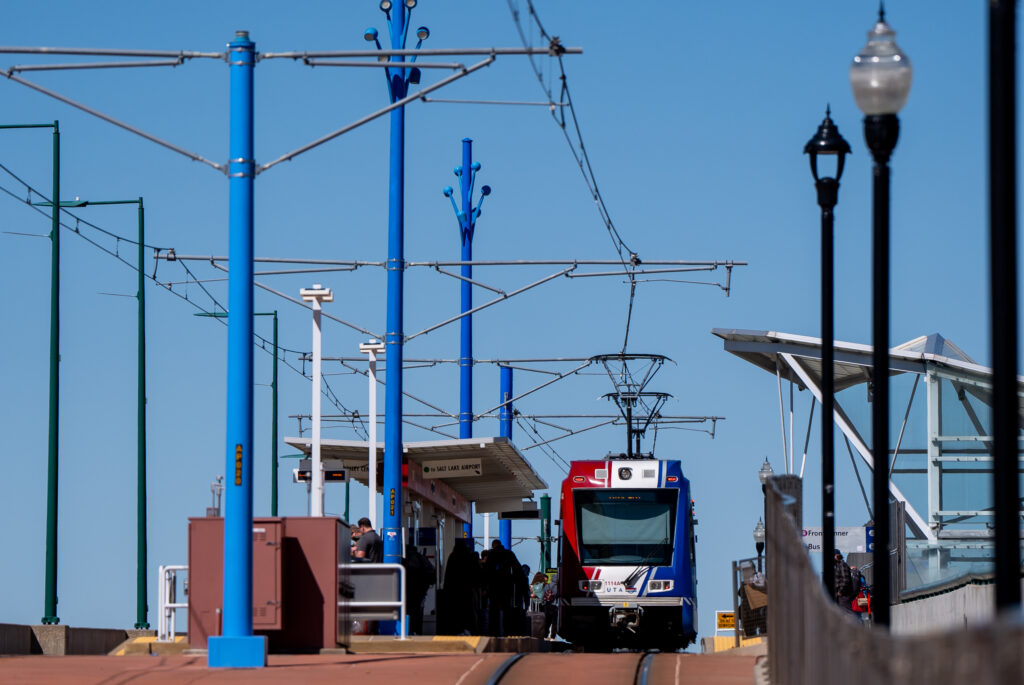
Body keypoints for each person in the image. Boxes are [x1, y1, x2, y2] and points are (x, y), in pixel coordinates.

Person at [441, 539, 481, 635]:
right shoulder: (470, 557)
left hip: (454, 590)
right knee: (469, 612)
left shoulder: (453, 556)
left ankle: (457, 630)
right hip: (468, 590)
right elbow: (477, 574)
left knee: (455, 612)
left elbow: (448, 574)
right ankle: (469, 630)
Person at [403, 546, 436, 635]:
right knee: (417, 610)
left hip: (407, 589)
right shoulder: (421, 558)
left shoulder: (404, 559)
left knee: (407, 610)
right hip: (420, 590)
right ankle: (417, 630)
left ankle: (408, 630)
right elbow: (432, 572)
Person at [833, 549, 856, 613]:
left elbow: (846, 579)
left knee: (847, 613)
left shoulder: (842, 565)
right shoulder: (839, 565)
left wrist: (840, 591)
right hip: (842, 596)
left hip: (844, 595)